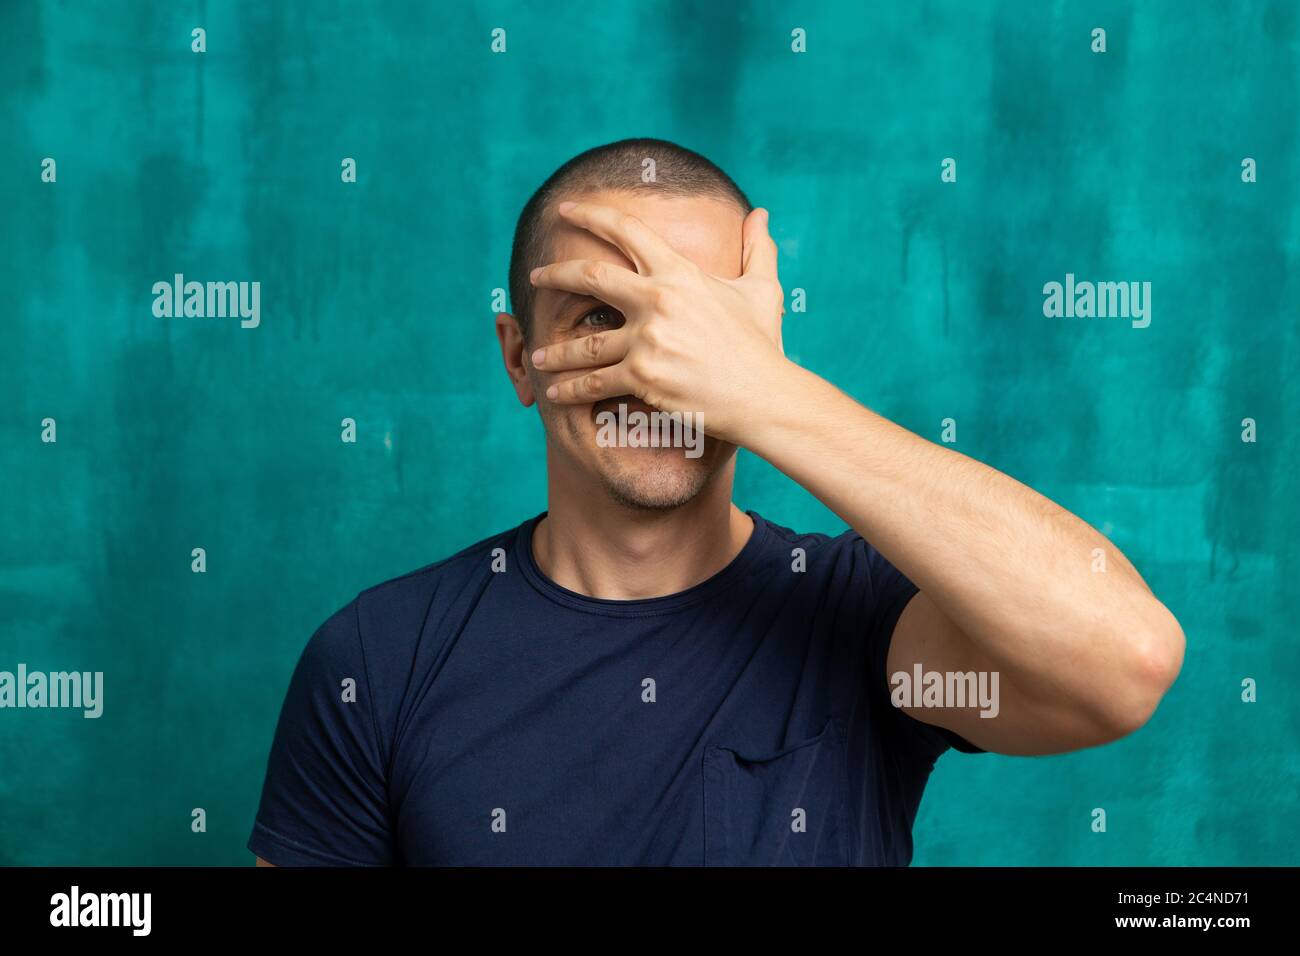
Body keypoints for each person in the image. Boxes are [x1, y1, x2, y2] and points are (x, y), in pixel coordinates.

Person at [248, 138, 1184, 866]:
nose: (656, 370)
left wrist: (764, 392)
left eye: (699, 326)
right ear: (519, 358)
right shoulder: (377, 659)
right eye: (600, 320)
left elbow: (1128, 659)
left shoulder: (864, 621)